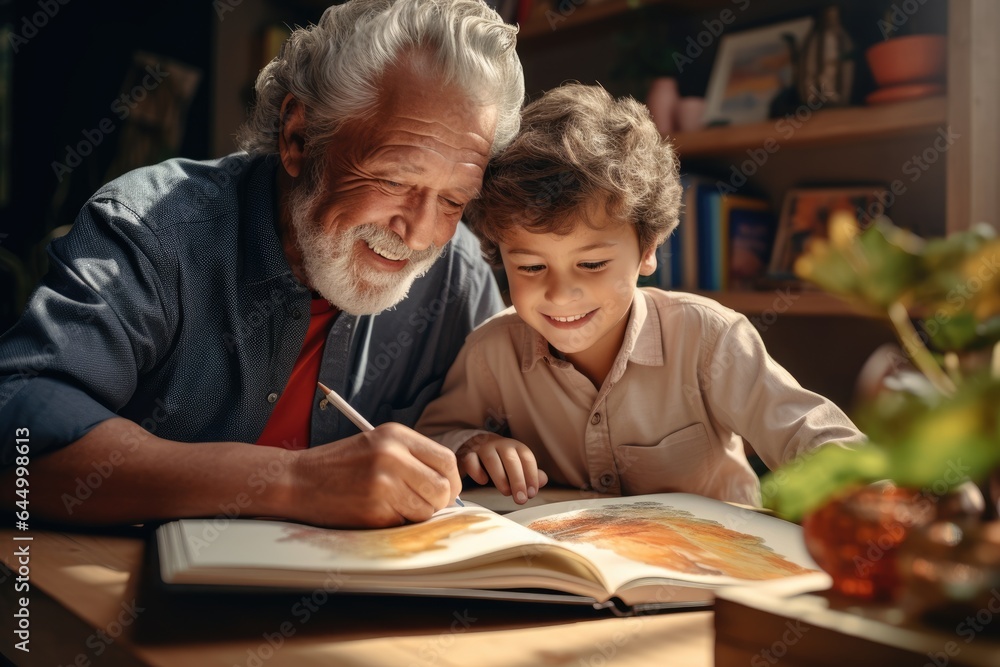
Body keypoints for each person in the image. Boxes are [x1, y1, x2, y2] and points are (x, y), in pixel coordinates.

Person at [0, 0, 524, 528]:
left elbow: (513, 422)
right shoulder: (152, 230)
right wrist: (295, 482)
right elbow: (16, 438)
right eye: (392, 180)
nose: (418, 232)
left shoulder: (455, 275)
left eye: (454, 201)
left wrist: (478, 444)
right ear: (298, 137)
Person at [416, 84, 864, 507]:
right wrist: (472, 443)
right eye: (531, 267)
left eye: (592, 264)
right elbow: (433, 439)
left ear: (647, 250)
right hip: (573, 576)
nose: (560, 292)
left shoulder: (708, 339)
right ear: (501, 256)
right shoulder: (492, 352)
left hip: (711, 571)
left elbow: (807, 434)